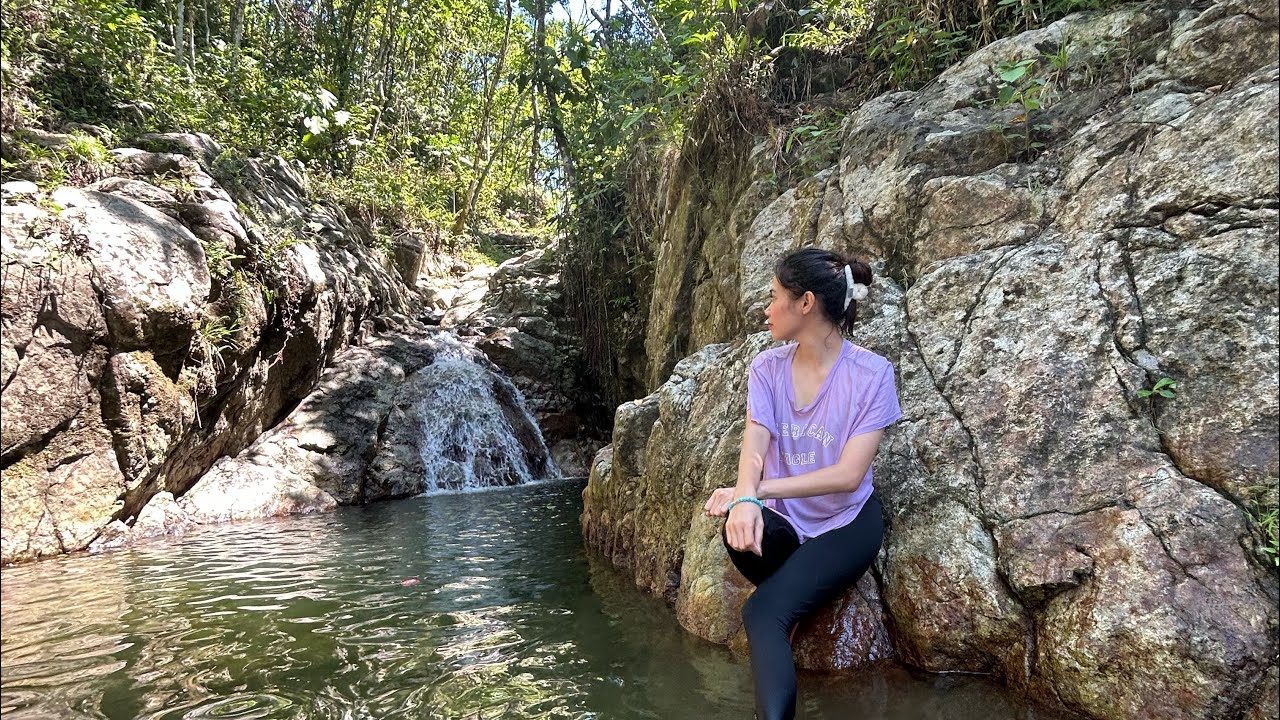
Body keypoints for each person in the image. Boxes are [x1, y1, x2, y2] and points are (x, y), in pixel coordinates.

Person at [703, 247, 902, 720]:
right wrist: (744, 499)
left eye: (774, 297)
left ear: (805, 302)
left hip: (846, 524)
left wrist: (756, 493)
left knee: (761, 614)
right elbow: (755, 441)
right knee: (738, 529)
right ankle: (793, 594)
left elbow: (848, 475)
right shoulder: (766, 369)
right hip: (790, 527)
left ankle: (784, 607)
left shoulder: (872, 375)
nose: (766, 308)